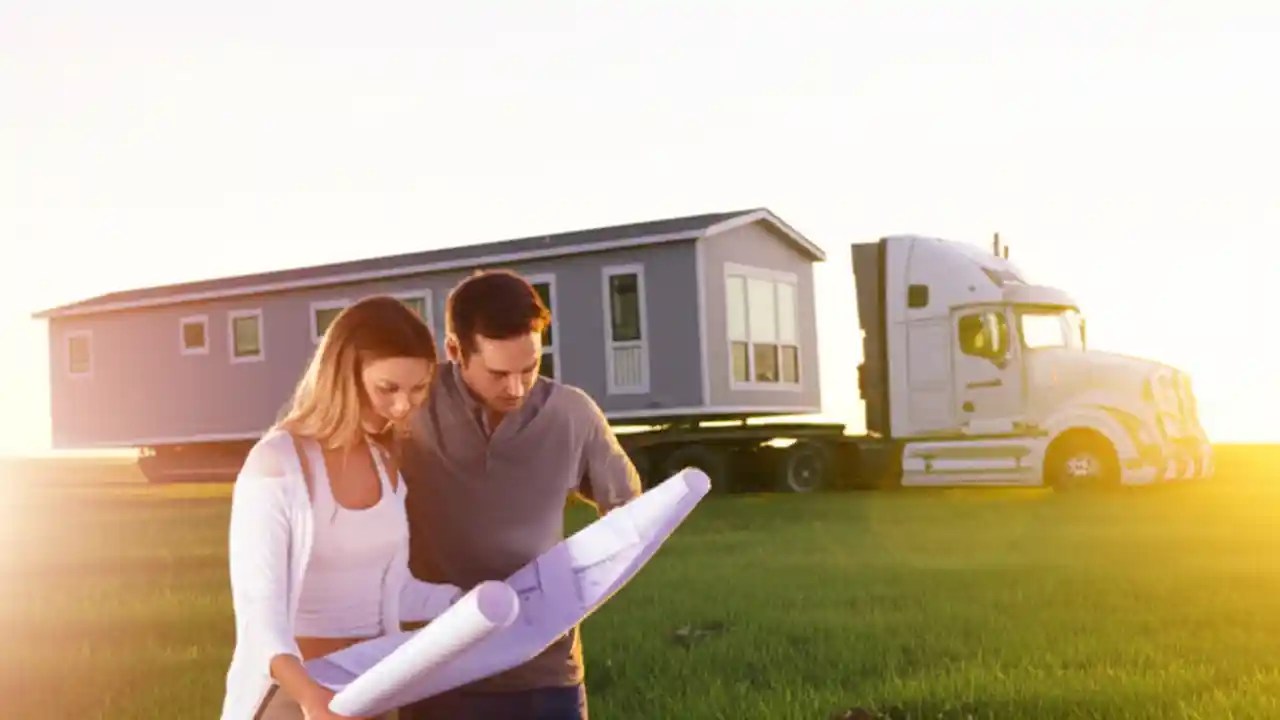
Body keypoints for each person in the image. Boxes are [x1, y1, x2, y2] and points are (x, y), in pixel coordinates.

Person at [399, 269, 643, 720]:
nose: (516, 388)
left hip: (546, 676)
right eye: (498, 373)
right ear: (454, 351)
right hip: (437, 670)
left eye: (530, 367)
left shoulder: (572, 413)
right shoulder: (411, 409)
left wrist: (578, 583)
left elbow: (631, 514)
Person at [220, 295, 464, 720]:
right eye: (387, 388)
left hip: (374, 687)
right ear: (343, 375)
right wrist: (313, 700)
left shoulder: (384, 461)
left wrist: (463, 602)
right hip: (296, 696)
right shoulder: (277, 463)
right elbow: (261, 616)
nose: (403, 407)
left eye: (418, 389)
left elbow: (392, 590)